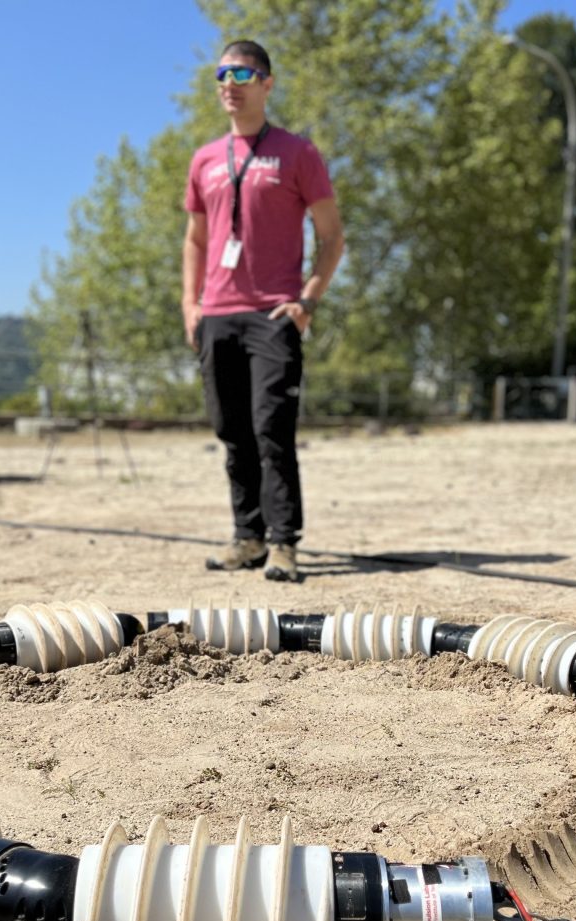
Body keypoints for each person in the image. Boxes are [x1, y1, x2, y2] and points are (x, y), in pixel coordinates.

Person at [183, 39, 345, 583]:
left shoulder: (298, 153)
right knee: (231, 430)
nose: (229, 83)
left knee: (271, 428)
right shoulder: (205, 158)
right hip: (218, 315)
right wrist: (191, 303)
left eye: (242, 73)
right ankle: (246, 537)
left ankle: (283, 543)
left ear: (267, 84)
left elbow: (331, 238)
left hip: (273, 314)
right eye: (221, 74)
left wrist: (308, 299)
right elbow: (196, 240)